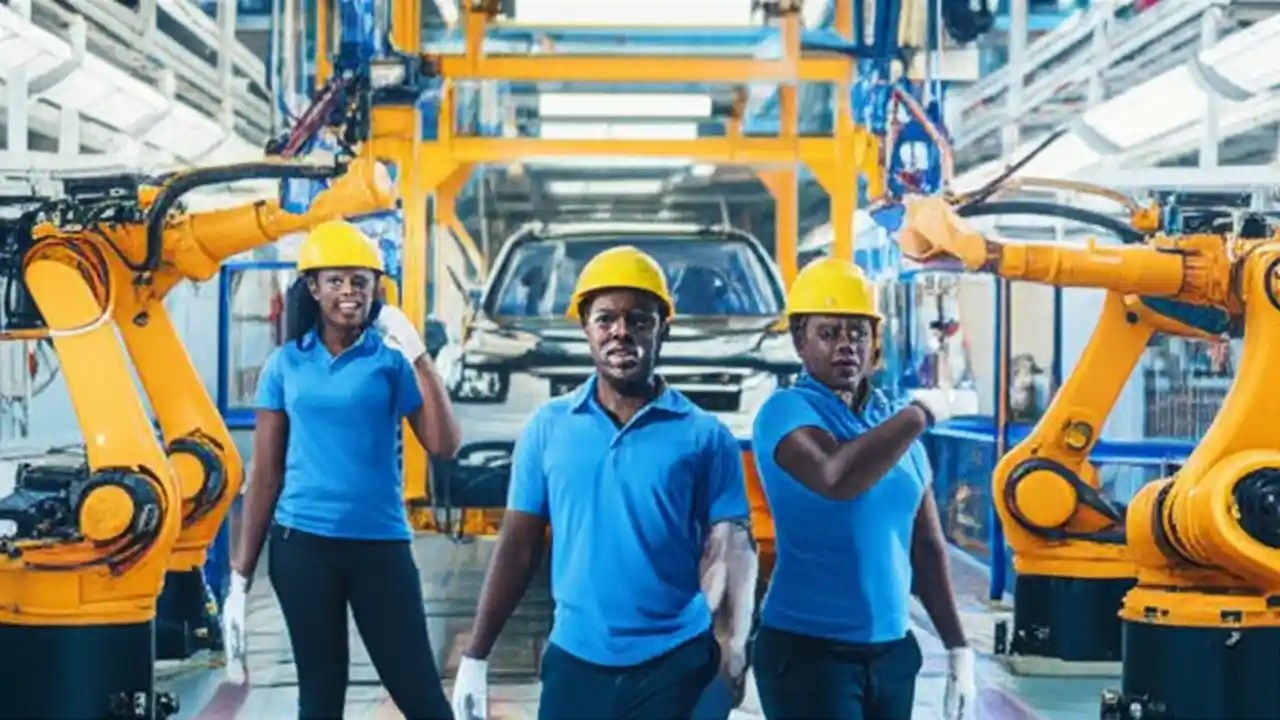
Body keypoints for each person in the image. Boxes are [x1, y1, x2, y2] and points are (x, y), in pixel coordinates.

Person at [449, 245, 758, 720]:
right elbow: (518, 546)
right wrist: (476, 654)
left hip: (673, 663)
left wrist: (731, 654)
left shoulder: (704, 436)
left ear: (663, 330)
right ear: (586, 330)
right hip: (575, 663)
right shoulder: (547, 428)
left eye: (639, 320)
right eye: (606, 319)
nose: (621, 332)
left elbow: (731, 550)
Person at [221, 220, 462, 720]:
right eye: (335, 280)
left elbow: (443, 444)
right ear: (313, 287)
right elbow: (264, 475)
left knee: (420, 695)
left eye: (360, 281)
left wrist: (420, 357)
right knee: (321, 695)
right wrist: (240, 579)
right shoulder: (285, 365)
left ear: (376, 289)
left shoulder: (391, 362)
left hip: (380, 546)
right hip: (301, 548)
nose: (349, 292)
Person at [749, 256, 977, 720]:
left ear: (874, 340)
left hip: (892, 654)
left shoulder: (891, 423)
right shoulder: (784, 413)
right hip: (809, 654)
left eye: (857, 332)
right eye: (828, 333)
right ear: (799, 341)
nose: (846, 345)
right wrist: (921, 414)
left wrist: (958, 648)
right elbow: (837, 478)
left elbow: (927, 547)